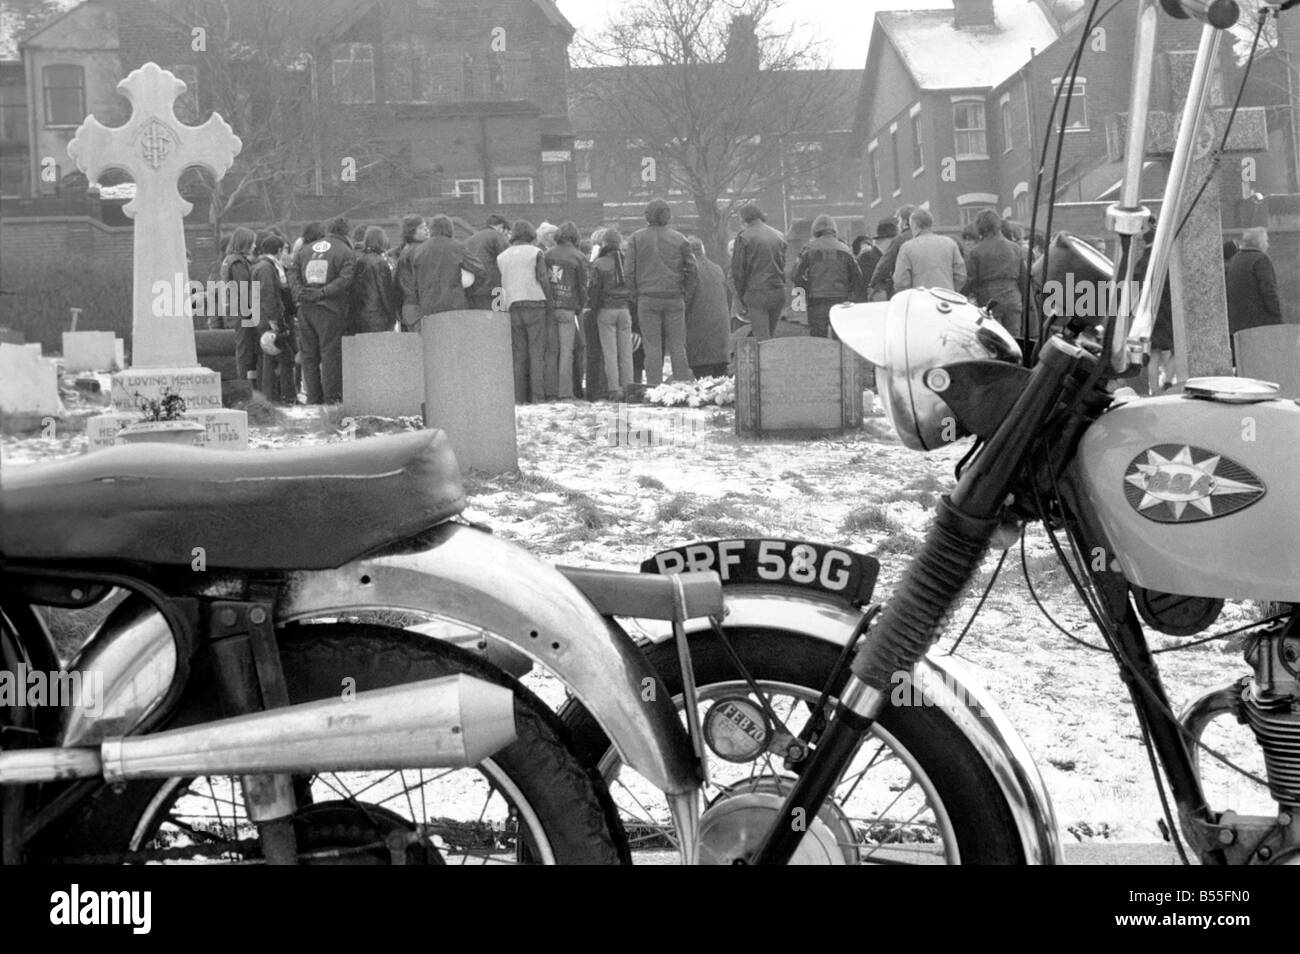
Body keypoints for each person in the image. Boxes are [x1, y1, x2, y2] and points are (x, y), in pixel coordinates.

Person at [626, 198, 696, 386]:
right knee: (678, 346)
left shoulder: (636, 238)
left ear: (647, 216)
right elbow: (692, 270)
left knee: (652, 347)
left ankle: (654, 387)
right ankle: (683, 387)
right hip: (674, 297)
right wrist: (685, 294)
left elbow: (629, 271)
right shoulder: (680, 239)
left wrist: (635, 295)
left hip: (647, 298)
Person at [291, 216, 356, 404]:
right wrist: (322, 293)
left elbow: (293, 272)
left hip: (305, 309)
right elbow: (345, 280)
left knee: (309, 356)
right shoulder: (346, 252)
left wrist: (300, 293)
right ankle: (331, 399)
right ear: (347, 233)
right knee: (330, 355)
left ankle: (313, 399)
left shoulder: (305, 250)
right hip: (330, 309)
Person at [498, 220, 554, 403]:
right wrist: (550, 303)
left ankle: (519, 397)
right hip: (535, 304)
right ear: (531, 234)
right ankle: (538, 396)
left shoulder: (502, 256)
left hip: (512, 305)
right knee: (536, 353)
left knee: (519, 355)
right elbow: (543, 278)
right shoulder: (536, 252)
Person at [405, 214, 486, 320]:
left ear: (432, 229)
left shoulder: (420, 250)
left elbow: (415, 281)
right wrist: (468, 291)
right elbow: (480, 270)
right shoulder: (457, 247)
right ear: (450, 229)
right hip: (454, 303)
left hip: (428, 305)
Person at [793, 214, 860, 338]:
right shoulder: (845, 249)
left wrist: (807, 289)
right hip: (841, 299)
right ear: (834, 230)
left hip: (817, 300)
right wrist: (850, 294)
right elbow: (857, 276)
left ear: (815, 230)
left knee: (819, 340)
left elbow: (796, 275)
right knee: (840, 338)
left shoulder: (808, 248)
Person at [964, 209, 1027, 336]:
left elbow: (971, 280)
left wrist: (962, 296)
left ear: (980, 227)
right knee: (1014, 341)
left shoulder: (976, 251)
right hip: (1013, 300)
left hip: (989, 302)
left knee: (993, 341)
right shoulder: (1016, 249)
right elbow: (1023, 280)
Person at [588, 227, 634, 400]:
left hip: (606, 311)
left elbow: (594, 291)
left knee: (610, 353)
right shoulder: (626, 260)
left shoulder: (599, 263)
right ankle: (629, 387)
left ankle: (614, 390)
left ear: (604, 244)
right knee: (626, 352)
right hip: (624, 310)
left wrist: (592, 309)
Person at [730, 202, 786, 341]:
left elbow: (739, 272)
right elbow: (783, 264)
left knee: (762, 339)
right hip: (778, 291)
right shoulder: (779, 236)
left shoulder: (744, 237)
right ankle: (771, 361)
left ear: (743, 219)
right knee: (770, 337)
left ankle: (764, 362)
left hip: (757, 293)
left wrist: (740, 298)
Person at [544, 222, 587, 401]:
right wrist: (580, 306)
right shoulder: (579, 256)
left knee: (551, 350)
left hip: (549, 307)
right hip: (569, 309)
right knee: (567, 351)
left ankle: (550, 391)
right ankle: (565, 392)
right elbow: (582, 286)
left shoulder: (547, 255)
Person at [251, 234, 296, 403]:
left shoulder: (260, 266)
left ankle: (270, 397)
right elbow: (269, 296)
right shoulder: (267, 268)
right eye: (284, 249)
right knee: (284, 357)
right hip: (269, 320)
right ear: (278, 250)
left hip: (262, 318)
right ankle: (285, 397)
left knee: (269, 358)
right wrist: (275, 321)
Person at [1133, 220, 1175, 392]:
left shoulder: (1141, 262)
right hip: (1166, 308)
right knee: (1178, 349)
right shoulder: (1163, 260)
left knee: (1154, 353)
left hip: (1149, 312)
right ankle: (1167, 383)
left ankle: (1155, 388)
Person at [1226, 227, 1283, 352]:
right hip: (1260, 325)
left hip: (1237, 325)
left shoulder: (1235, 259)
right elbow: (1269, 290)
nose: (1268, 244)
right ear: (1259, 243)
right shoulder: (1261, 259)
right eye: (1266, 241)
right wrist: (1277, 315)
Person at [685, 236, 731, 378]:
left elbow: (686, 300)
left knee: (704, 385)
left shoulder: (689, 271)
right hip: (722, 337)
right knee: (720, 386)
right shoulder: (717, 269)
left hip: (699, 338)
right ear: (703, 249)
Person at [893, 208, 966, 293]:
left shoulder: (906, 248)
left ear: (914, 226)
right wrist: (951, 290)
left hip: (920, 300)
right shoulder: (950, 243)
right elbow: (961, 275)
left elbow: (901, 281)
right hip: (946, 298)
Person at [220, 227, 259, 381]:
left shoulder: (231, 259)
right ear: (245, 243)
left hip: (238, 309)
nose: (255, 246)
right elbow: (245, 288)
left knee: (244, 348)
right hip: (244, 311)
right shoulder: (238, 262)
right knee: (245, 350)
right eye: (252, 243)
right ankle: (244, 385)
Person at [351, 225, 397, 334]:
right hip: (378, 314)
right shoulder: (381, 263)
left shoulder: (359, 261)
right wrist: (392, 315)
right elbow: (385, 292)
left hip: (361, 313)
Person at [465, 213, 511, 312]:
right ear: (501, 227)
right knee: (499, 320)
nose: (506, 236)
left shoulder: (469, 240)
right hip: (495, 290)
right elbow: (508, 259)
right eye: (506, 233)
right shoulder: (497, 236)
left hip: (473, 291)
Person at [870, 206, 914, 300]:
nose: (898, 226)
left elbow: (884, 265)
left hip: (906, 291)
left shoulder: (900, 240)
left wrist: (873, 284)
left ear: (906, 222)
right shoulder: (933, 239)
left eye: (899, 221)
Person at [392, 214, 429, 326]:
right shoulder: (418, 251)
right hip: (417, 305)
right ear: (412, 231)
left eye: (426, 226)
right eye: (422, 227)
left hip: (408, 305)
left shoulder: (406, 250)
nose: (427, 229)